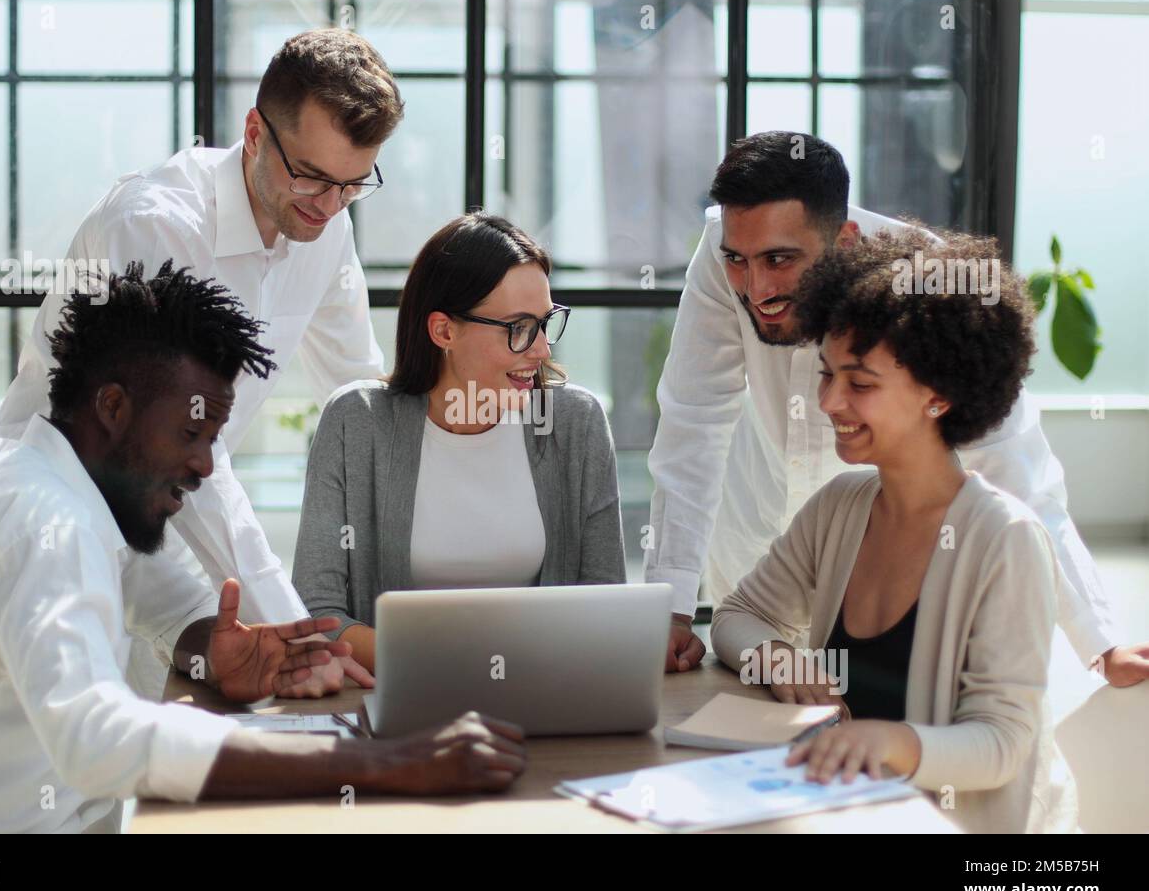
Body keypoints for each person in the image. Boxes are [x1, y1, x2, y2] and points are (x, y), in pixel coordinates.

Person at [0, 263, 525, 834]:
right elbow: (95, 736)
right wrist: (390, 764)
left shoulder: (27, 471)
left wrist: (213, 654)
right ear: (113, 408)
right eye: (192, 434)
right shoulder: (44, 523)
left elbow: (166, 605)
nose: (204, 467)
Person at [0, 28, 408, 697]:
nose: (328, 206)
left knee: (161, 769)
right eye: (310, 175)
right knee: (54, 777)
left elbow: (358, 399)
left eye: (353, 185)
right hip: (54, 526)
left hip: (166, 540)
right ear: (254, 132)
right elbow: (175, 445)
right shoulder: (156, 227)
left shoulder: (326, 232)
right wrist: (293, 627)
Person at [646, 130, 1147, 686]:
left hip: (890, 571)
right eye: (739, 260)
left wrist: (1102, 647)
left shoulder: (926, 283)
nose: (756, 287)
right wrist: (669, 606)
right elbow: (694, 421)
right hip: (754, 545)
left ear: (846, 240)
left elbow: (1017, 472)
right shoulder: (725, 253)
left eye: (780, 260)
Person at [709, 231, 1078, 834]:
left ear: (939, 395)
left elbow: (1002, 742)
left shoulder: (1005, 541)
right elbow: (737, 614)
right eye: (827, 375)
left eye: (860, 384)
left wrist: (889, 743)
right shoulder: (841, 508)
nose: (828, 401)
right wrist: (778, 659)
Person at [291, 213, 627, 673]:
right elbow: (318, 615)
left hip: (544, 692)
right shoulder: (356, 422)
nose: (543, 349)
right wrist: (456, 663)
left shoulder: (575, 423)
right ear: (443, 331)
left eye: (547, 323)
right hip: (401, 704)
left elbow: (605, 608)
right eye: (519, 328)